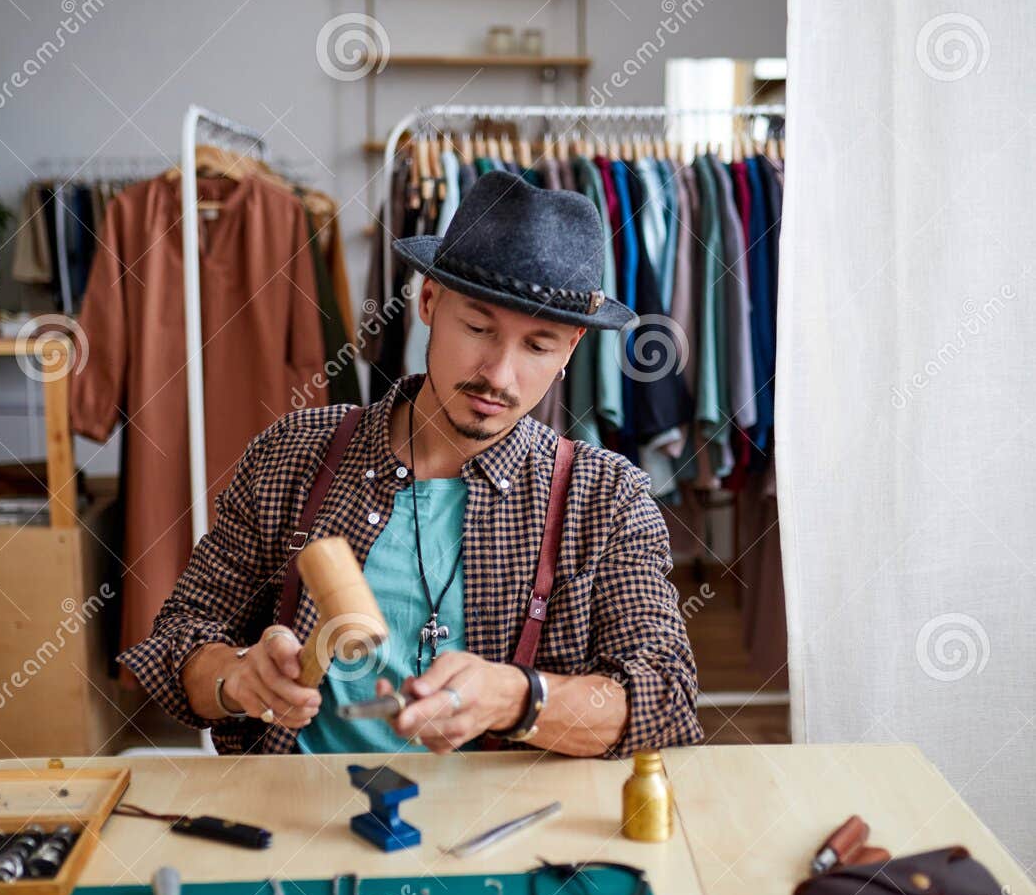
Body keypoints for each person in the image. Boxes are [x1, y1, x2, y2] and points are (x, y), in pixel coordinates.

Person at [121, 170, 703, 758]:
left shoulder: (604, 498)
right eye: (478, 327)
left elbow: (666, 700)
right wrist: (235, 677)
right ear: (429, 300)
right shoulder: (292, 454)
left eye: (538, 345)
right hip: (299, 829)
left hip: (500, 835)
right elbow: (179, 641)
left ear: (571, 348)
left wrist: (518, 699)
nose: (499, 377)